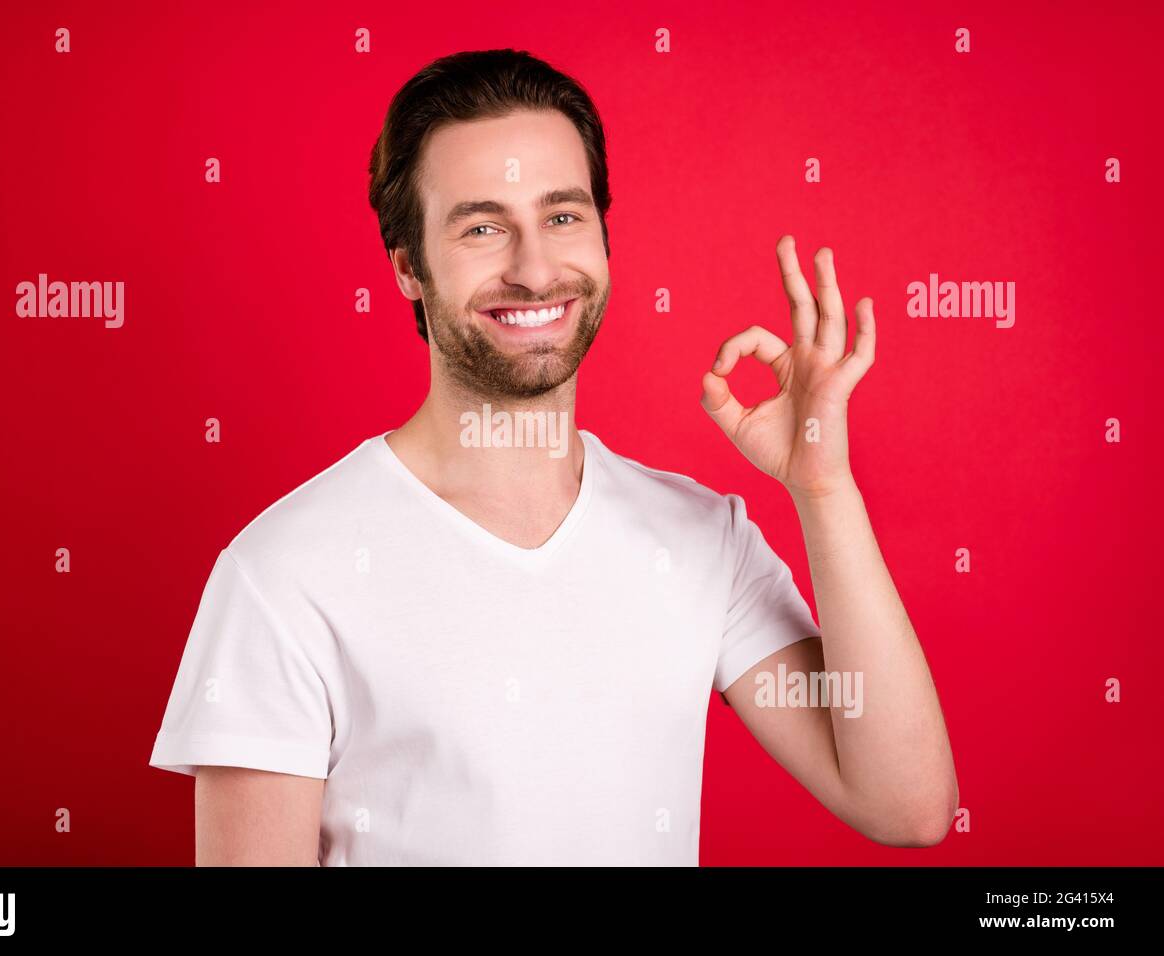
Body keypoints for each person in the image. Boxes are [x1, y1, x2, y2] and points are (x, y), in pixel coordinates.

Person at [149, 48, 958, 866]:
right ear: (406, 269)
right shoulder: (282, 573)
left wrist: (823, 486)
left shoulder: (700, 538)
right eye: (482, 227)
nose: (535, 270)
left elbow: (906, 803)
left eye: (563, 216)